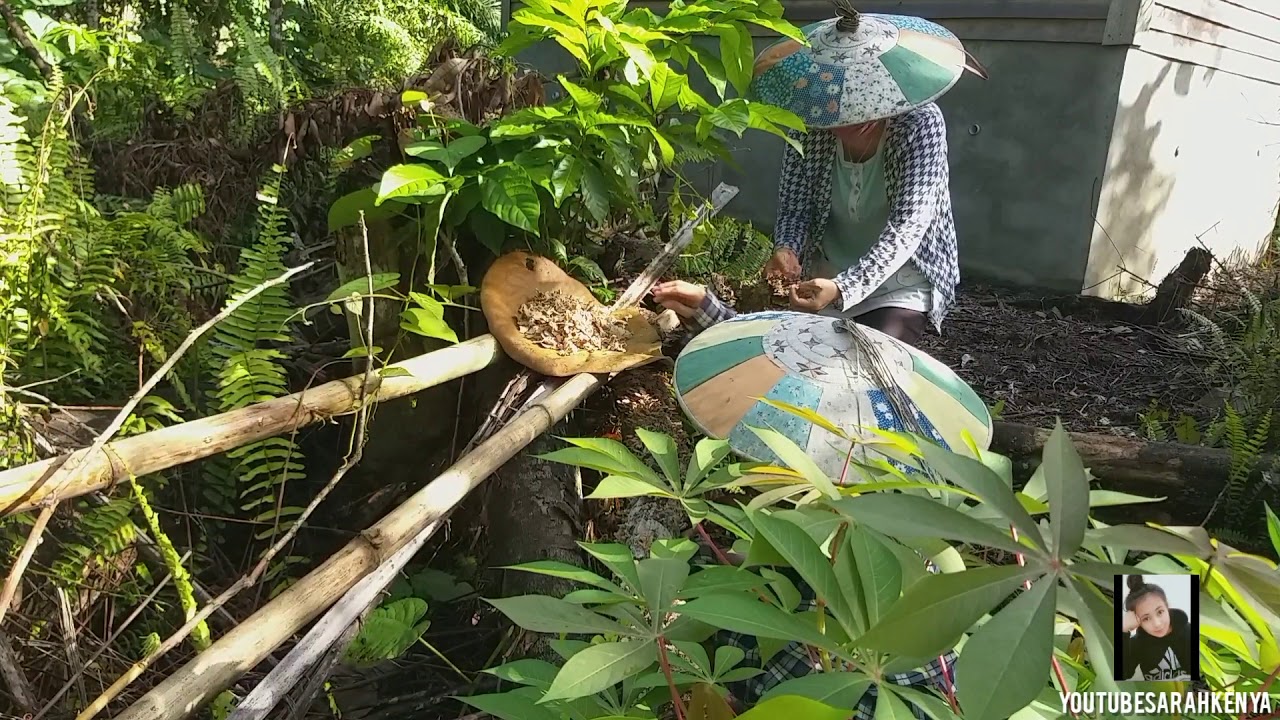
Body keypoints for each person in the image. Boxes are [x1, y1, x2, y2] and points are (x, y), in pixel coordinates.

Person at [703, 2, 985, 346]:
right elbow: (795, 205)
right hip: (827, 274)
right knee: (801, 357)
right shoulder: (809, 122)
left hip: (900, 282)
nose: (853, 119)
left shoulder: (919, 123)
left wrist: (845, 288)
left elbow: (909, 226)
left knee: (875, 359)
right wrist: (787, 248)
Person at [1121, 576, 1195, 681]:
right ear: (1137, 620)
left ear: (1167, 606)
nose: (1157, 624)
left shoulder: (1189, 632)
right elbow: (1124, 674)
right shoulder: (1137, 643)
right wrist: (1123, 630)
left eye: (1160, 612)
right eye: (1146, 618)